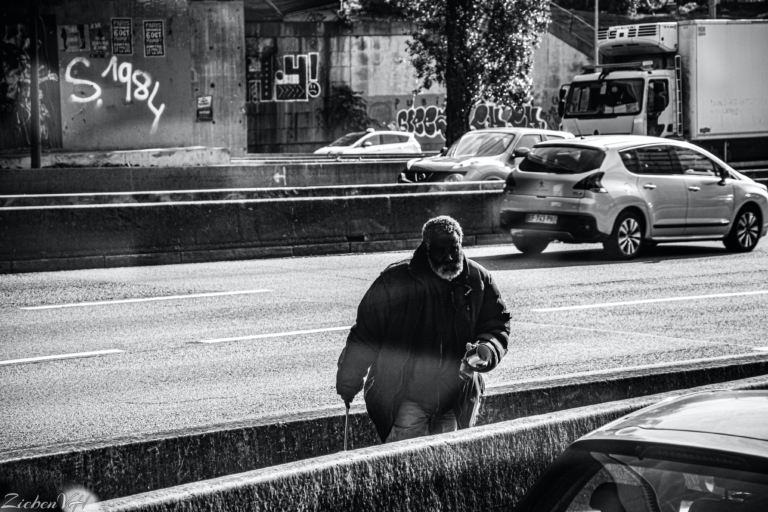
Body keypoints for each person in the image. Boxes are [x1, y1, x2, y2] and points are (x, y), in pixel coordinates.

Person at [336, 215, 511, 443]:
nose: (449, 257)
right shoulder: (395, 280)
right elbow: (365, 334)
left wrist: (487, 348)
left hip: (455, 398)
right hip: (406, 398)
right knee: (404, 464)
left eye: (454, 249)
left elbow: (497, 324)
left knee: (447, 469)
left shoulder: (478, 279)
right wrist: (349, 379)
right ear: (426, 249)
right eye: (440, 250)